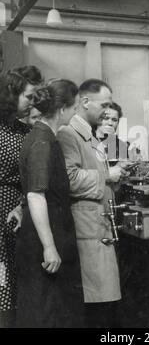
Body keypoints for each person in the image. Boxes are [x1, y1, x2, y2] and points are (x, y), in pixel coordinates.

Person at [57, 79, 127, 328]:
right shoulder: (69, 134)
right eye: (104, 104)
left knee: (104, 302)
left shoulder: (90, 135)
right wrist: (108, 175)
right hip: (88, 230)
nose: (108, 111)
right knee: (95, 304)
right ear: (85, 102)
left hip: (99, 228)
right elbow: (69, 179)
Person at [16, 79, 84, 328]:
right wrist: (49, 246)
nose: (76, 112)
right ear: (63, 109)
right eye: (75, 107)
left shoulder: (42, 137)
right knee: (45, 312)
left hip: (49, 231)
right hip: (44, 237)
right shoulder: (43, 141)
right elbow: (35, 194)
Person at [0, 68, 40, 328]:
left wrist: (23, 205)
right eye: (28, 96)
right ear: (10, 95)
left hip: (18, 208)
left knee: (15, 279)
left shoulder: (26, 131)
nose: (32, 102)